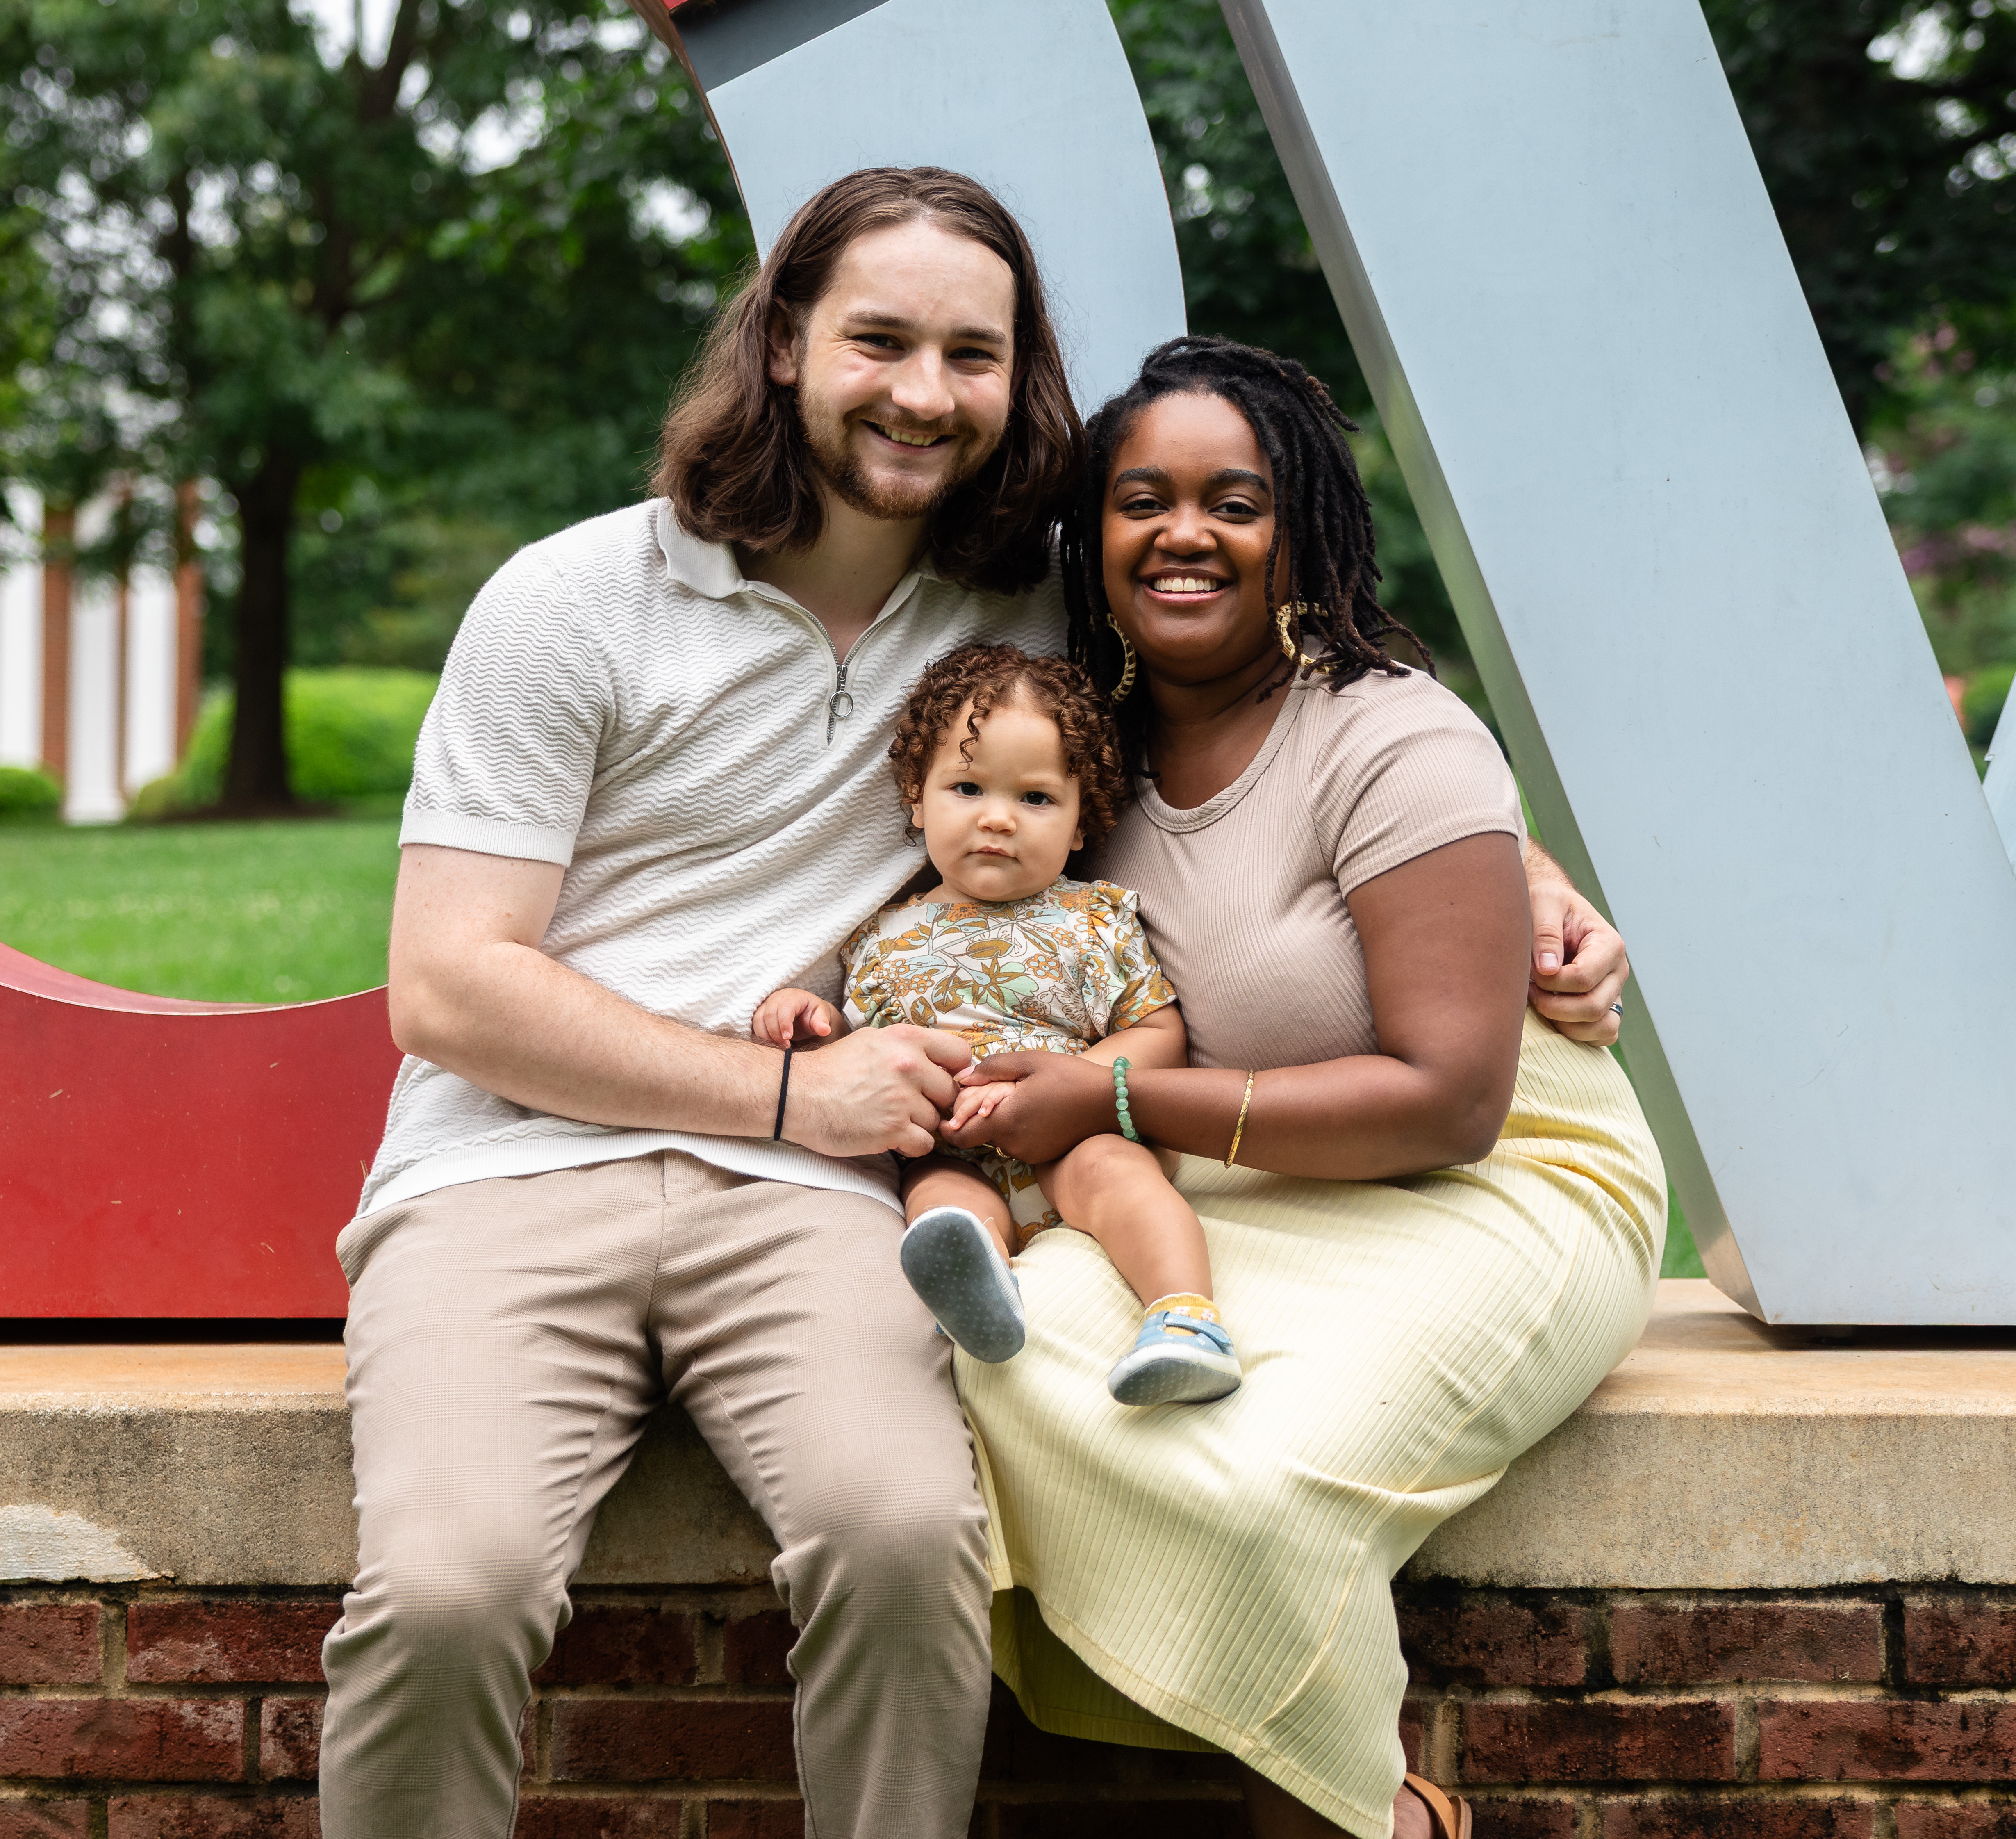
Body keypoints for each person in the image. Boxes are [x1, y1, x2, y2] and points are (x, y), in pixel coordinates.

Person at [319, 162, 1630, 1839]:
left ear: (1020, 384)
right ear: (783, 341)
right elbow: (445, 985)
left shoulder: (1024, 613)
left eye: (972, 354)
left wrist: (1507, 874)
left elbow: (1262, 708)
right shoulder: (572, 598)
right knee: (449, 1590)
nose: (923, 394)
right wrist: (798, 1095)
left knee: (899, 1541)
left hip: (813, 1203)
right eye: (879, 339)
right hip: (509, 1175)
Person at [949, 336, 1672, 1839]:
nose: (1186, 533)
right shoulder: (1072, 746)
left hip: (1491, 1185)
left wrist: (1120, 1105)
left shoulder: (1392, 732)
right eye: (1143, 498)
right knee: (996, 1357)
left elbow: (1450, 1099)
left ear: (1307, 531)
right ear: (1095, 535)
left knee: (1262, 1477)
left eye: (1238, 499)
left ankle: (1370, 1815)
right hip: (1230, 1194)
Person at [752, 640, 1245, 1407]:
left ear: (1084, 822)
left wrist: (1080, 1090)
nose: (998, 820)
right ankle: (986, 1294)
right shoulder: (879, 938)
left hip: (1075, 1135)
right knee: (940, 1202)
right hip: (953, 1146)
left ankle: (1187, 1321)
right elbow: (863, 1053)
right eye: (968, 787)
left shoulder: (1092, 919)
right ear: (917, 798)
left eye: (1037, 799)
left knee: (1116, 1176)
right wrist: (816, 1025)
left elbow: (1158, 1033)